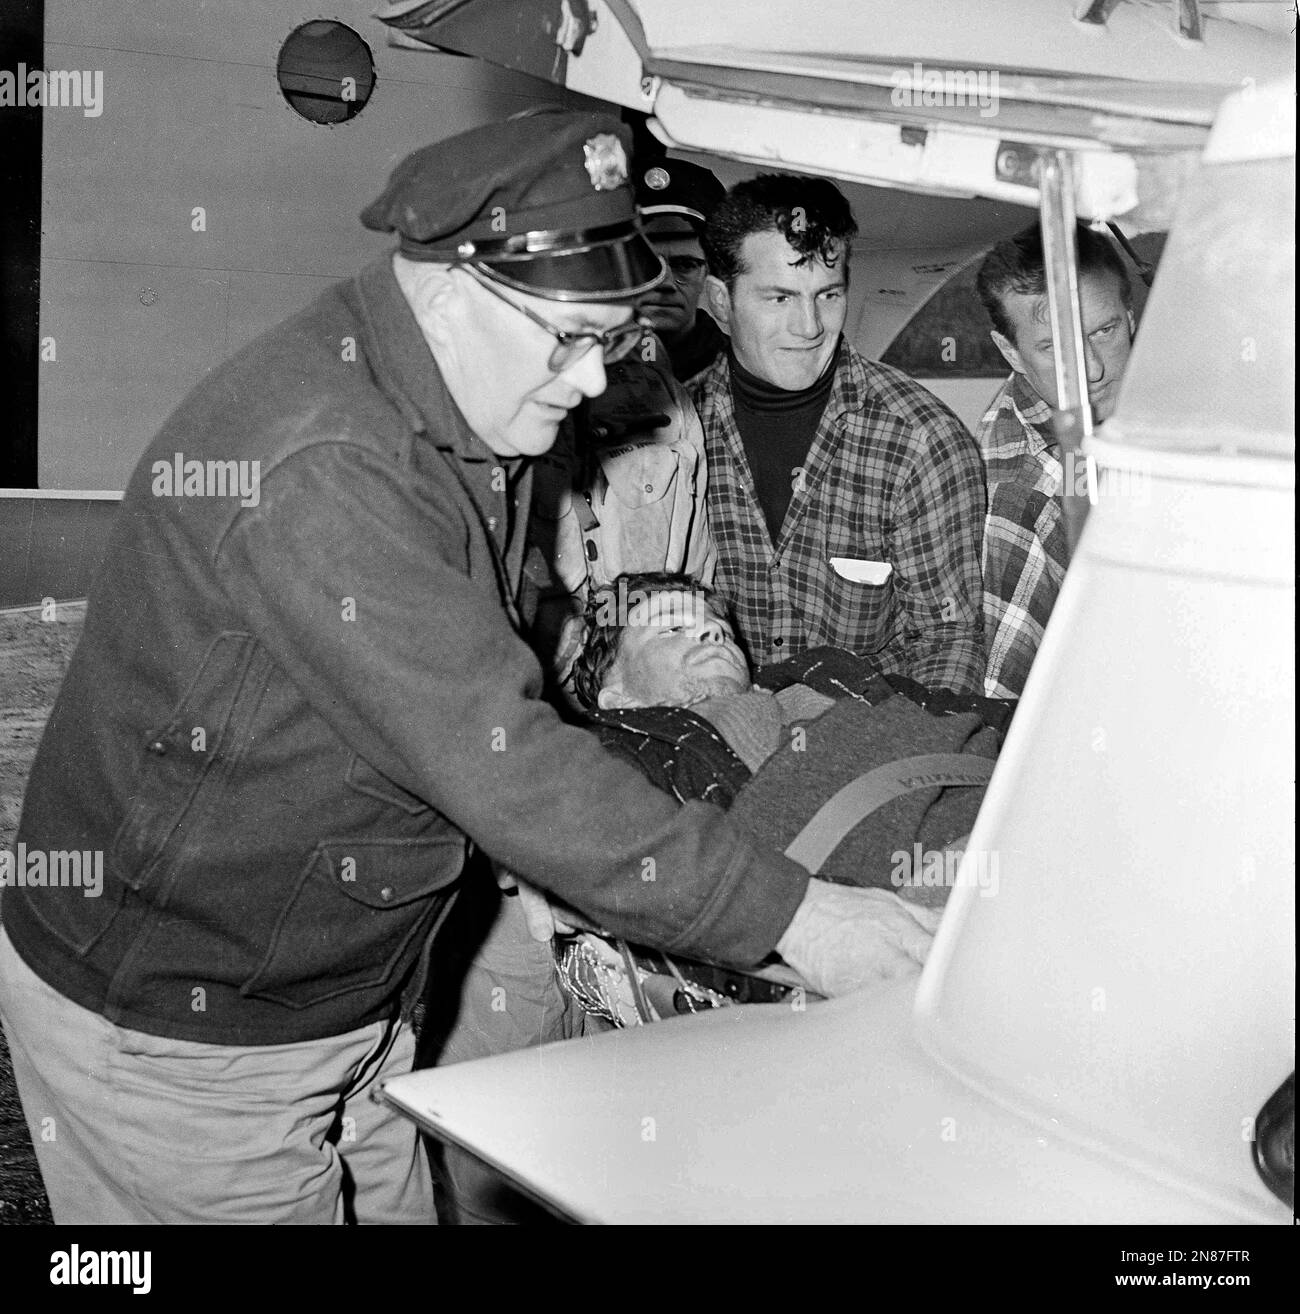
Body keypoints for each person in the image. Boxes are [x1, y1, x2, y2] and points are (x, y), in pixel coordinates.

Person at [0, 112, 936, 1226]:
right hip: (186, 1039)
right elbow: (500, 758)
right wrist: (805, 919)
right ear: (449, 292)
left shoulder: (469, 410)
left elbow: (503, 667)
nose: (593, 382)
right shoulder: (326, 465)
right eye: (567, 340)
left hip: (350, 999)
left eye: (609, 338)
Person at [560, 571, 1004, 1025]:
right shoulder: (619, 751)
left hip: (1002, 810)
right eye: (671, 628)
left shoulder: (824, 672)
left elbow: (979, 714)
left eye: (720, 626)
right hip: (903, 904)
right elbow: (626, 866)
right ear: (618, 698)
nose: (712, 631)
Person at [691, 174, 987, 693]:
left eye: (827, 295)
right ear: (720, 303)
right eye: (779, 298)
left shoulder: (922, 443)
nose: (809, 326)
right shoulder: (676, 434)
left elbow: (949, 639)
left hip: (862, 744)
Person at [974, 221, 1135, 698]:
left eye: (1103, 330)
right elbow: (1002, 704)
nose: (1092, 368)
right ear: (1012, 352)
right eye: (1055, 347)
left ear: (1130, 315)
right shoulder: (1025, 489)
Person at [633, 156, 728, 383]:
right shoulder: (583, 369)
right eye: (647, 265)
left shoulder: (744, 371)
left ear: (709, 272)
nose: (665, 283)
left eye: (685, 265)